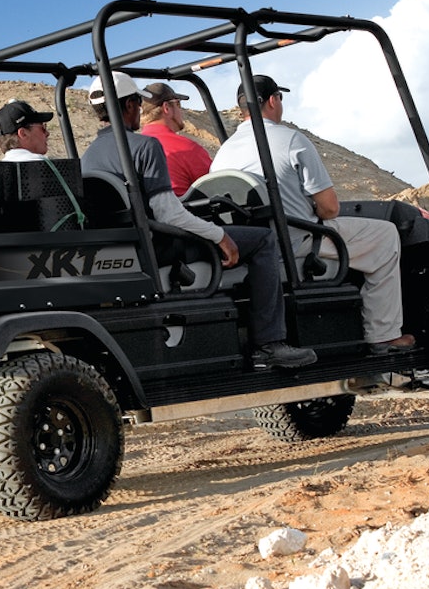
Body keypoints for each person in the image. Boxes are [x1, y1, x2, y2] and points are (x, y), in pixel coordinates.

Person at [81, 71, 315, 370]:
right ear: (128, 105)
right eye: (137, 104)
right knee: (262, 240)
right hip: (160, 245)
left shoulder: (88, 157)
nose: (139, 110)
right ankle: (268, 343)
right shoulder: (142, 148)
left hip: (126, 251)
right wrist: (218, 235)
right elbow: (168, 213)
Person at [210, 75, 414, 354]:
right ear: (273, 100)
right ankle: (383, 334)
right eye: (280, 98)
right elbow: (330, 208)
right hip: (297, 240)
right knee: (386, 235)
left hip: (254, 245)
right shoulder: (292, 139)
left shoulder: (223, 152)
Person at [139, 83, 213, 196]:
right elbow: (217, 188)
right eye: (178, 104)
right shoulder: (187, 148)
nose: (181, 110)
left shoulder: (132, 148)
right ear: (166, 108)